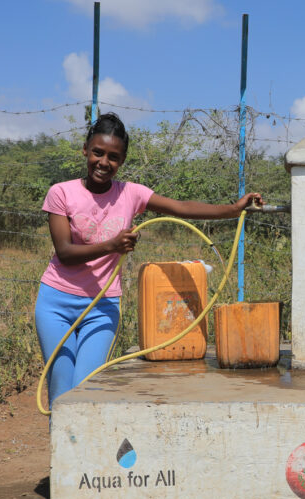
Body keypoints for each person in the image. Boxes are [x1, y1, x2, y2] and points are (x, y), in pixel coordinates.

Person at [34, 112, 261, 407]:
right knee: (62, 390)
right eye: (97, 153)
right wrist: (112, 245)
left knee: (86, 390)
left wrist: (232, 209)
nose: (103, 163)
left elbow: (180, 207)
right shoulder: (61, 193)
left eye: (113, 157)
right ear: (85, 150)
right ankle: (60, 452)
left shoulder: (132, 194)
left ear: (122, 161)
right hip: (57, 303)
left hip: (102, 306)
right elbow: (65, 252)